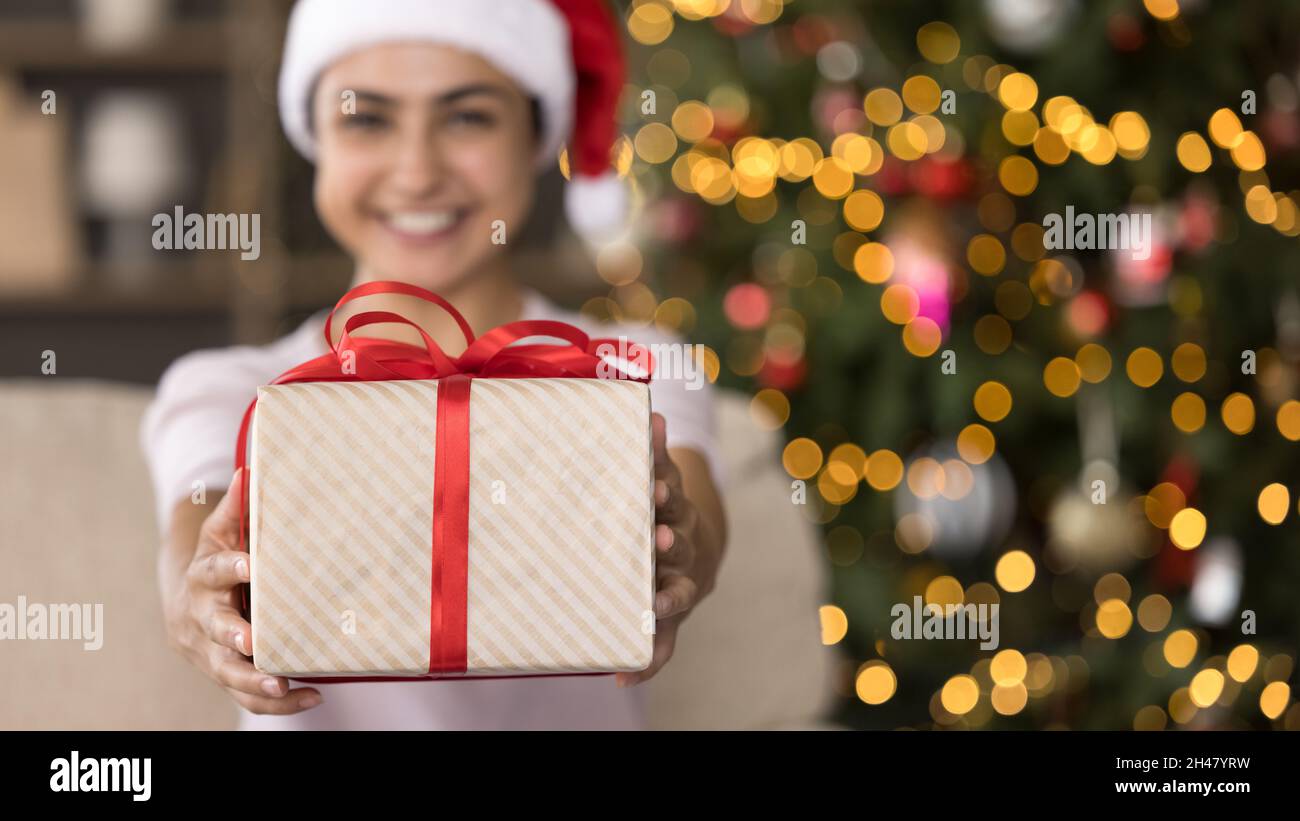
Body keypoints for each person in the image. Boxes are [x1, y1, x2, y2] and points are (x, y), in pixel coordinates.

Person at [141, 0, 727, 730]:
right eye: (367, 118)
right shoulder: (232, 389)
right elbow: (193, 531)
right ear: (314, 136)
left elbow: (698, 530)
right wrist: (201, 596)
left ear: (536, 136)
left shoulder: (632, 365)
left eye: (467, 117)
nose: (417, 172)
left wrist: (676, 547)